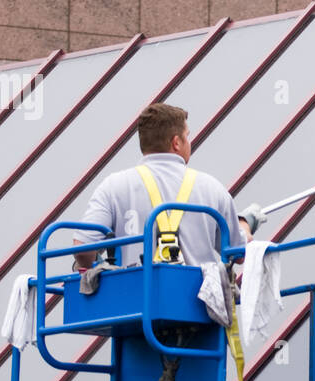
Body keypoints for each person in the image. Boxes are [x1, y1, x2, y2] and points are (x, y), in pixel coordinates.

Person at [74, 102, 253, 270]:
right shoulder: (211, 188)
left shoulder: (113, 186)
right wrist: (244, 225)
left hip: (133, 300)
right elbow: (238, 253)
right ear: (176, 142)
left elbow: (82, 249)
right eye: (187, 136)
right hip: (195, 301)